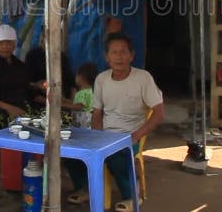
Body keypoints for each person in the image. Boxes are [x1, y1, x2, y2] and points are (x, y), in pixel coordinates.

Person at [66, 33, 164, 212]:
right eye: (114, 52)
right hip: (105, 134)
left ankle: (132, 196)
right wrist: (97, 136)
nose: (119, 57)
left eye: (123, 52)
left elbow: (158, 113)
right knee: (69, 151)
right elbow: (97, 113)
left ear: (131, 55)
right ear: (106, 56)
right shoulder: (101, 79)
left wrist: (136, 135)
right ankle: (86, 188)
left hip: (131, 135)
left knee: (116, 156)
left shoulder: (143, 78)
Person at [63, 62, 98, 128]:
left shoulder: (81, 93)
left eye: (76, 75)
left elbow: (78, 107)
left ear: (80, 77)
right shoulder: (92, 91)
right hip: (90, 121)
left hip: (83, 122)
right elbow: (77, 103)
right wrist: (64, 100)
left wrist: (62, 105)